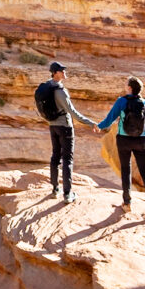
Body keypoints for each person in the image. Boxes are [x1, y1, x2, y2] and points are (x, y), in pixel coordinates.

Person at [97, 76, 145, 221]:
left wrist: (98, 126)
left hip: (124, 140)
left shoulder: (122, 101)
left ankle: (127, 203)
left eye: (126, 85)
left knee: (126, 170)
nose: (125, 86)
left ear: (130, 88)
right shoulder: (144, 103)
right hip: (141, 141)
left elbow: (110, 118)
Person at [34, 60, 97, 202]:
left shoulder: (47, 87)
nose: (64, 72)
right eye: (61, 70)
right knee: (67, 159)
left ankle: (55, 189)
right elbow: (73, 113)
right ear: (55, 73)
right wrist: (90, 122)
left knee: (55, 156)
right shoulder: (60, 91)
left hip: (52, 126)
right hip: (65, 127)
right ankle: (68, 194)